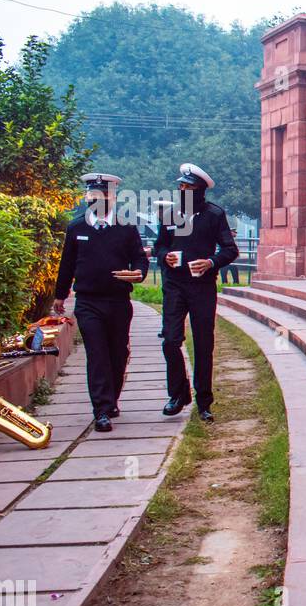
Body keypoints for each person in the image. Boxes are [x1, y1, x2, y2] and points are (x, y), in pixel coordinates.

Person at [52, 173, 148, 432]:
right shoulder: (76, 228)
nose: (97, 199)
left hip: (118, 301)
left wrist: (138, 273)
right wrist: (60, 295)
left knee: (118, 352)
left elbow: (140, 259)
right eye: (92, 195)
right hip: (87, 302)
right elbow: (67, 265)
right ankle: (101, 409)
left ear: (112, 198)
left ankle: (112, 399)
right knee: (96, 353)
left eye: (102, 195)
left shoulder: (125, 227)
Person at [153, 163, 238, 424]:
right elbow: (159, 248)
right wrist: (165, 256)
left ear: (199, 191)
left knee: (203, 343)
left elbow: (229, 249)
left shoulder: (214, 215)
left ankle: (204, 401)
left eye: (188, 187)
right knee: (170, 339)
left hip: (202, 286)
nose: (182, 190)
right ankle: (178, 393)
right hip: (175, 285)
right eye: (180, 186)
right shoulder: (169, 214)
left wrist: (211, 262)